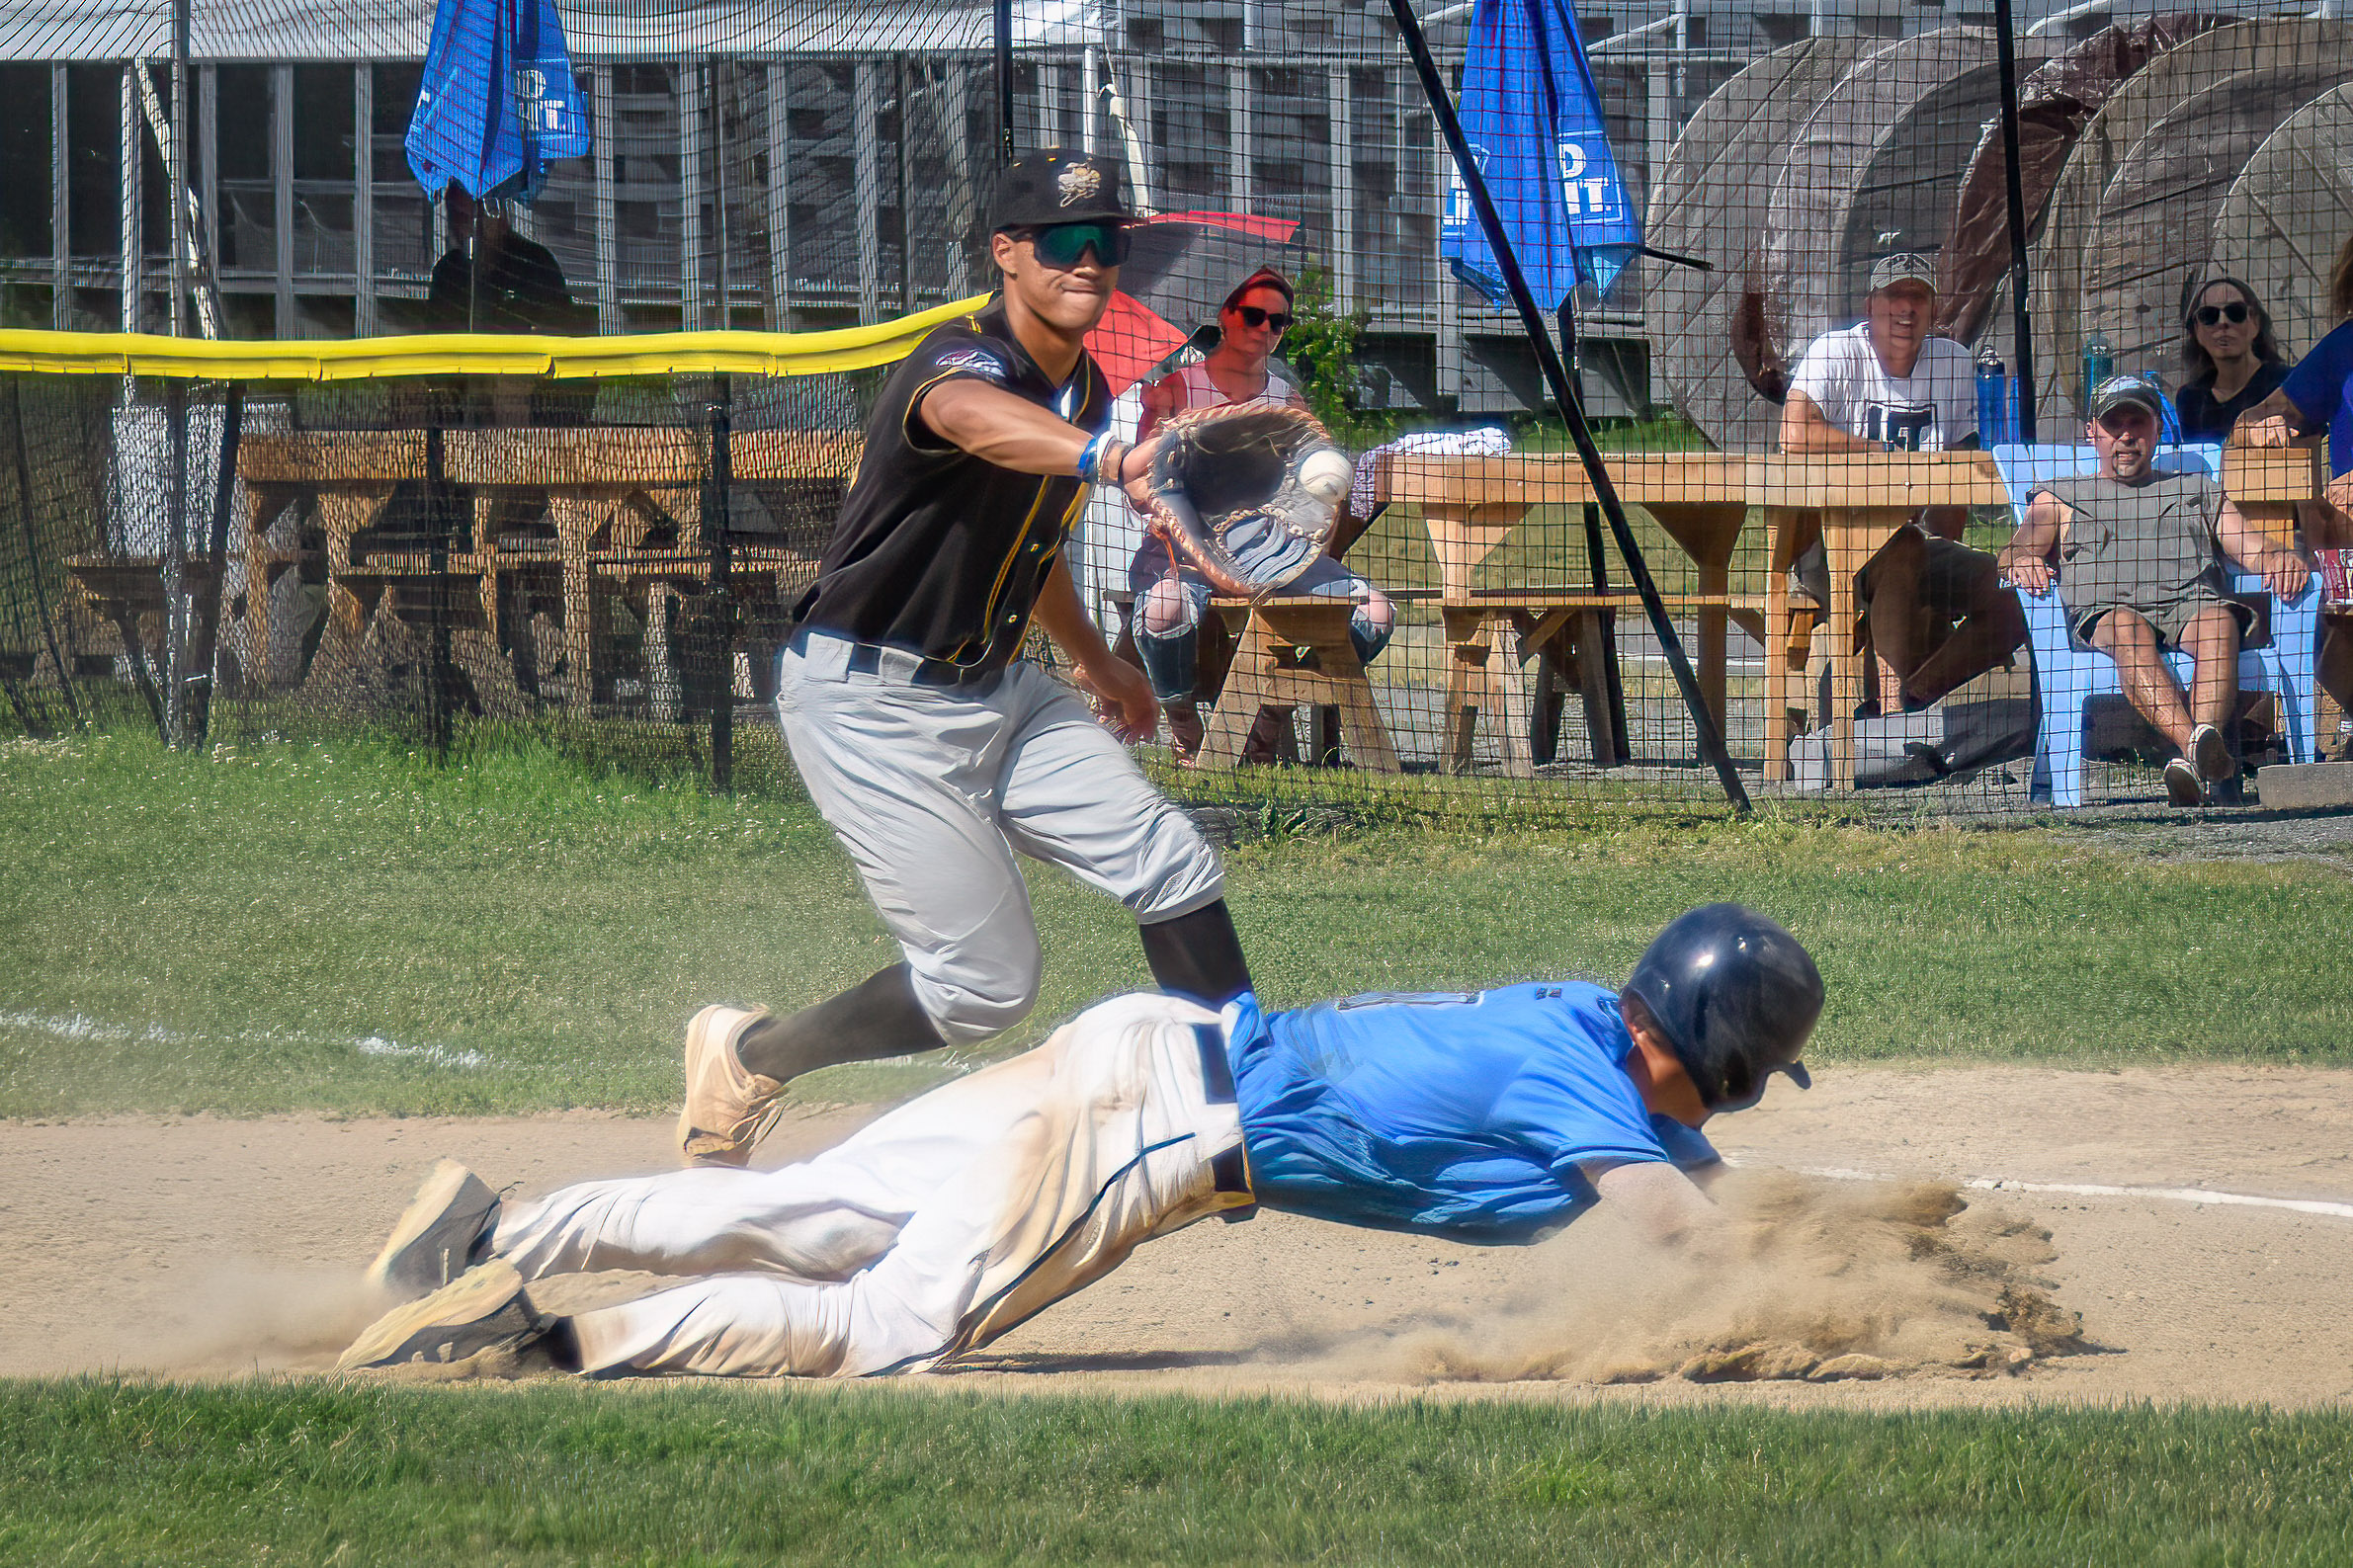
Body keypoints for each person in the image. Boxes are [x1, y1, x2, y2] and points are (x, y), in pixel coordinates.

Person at [339, 904, 1824, 1380]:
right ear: (1695, 1050)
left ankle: (494, 1228)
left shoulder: (1571, 1018)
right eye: (1746, 1076)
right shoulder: (1584, 1085)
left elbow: (1675, 1168)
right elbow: (1683, 1227)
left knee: (809, 1210)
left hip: (1138, 1043)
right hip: (1160, 1125)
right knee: (883, 1326)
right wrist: (1851, 1278)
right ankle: (540, 1343)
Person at [670, 151, 1252, 1170]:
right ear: (1005, 254)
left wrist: (1100, 666)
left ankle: (1247, 1114)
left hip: (1001, 691)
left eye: (1106, 243)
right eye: (1062, 242)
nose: (1088, 262)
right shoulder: (959, 361)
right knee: (982, 987)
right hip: (868, 702)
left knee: (1170, 863)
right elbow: (970, 421)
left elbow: (1025, 552)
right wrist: (1107, 458)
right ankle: (752, 1052)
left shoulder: (1083, 388)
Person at [1999, 374, 2311, 806]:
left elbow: (2252, 548)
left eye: (2138, 423)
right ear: (2093, 431)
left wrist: (2278, 556)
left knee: (2221, 622)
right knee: (2128, 629)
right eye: (2114, 424)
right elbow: (2014, 550)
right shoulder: (2059, 497)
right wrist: (2023, 560)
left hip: (2191, 603)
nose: (2126, 436)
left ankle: (2194, 766)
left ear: (2157, 429)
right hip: (2110, 609)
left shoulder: (2196, 488)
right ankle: (2203, 756)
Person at [1129, 269, 1395, 762]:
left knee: (1375, 613)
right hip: (1185, 550)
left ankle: (1265, 724)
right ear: (1225, 316)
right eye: (1254, 316)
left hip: (1271, 550)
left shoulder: (1285, 401)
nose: (1266, 330)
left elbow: (1308, 484)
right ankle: (1185, 730)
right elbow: (1135, 479)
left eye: (1279, 323)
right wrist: (1156, 500)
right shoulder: (1175, 390)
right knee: (1165, 612)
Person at [1779, 253, 2028, 712]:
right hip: (1829, 546)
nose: (1906, 310)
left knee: (2017, 594)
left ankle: (1915, 695)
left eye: (1918, 297)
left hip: (1914, 544)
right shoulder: (1836, 352)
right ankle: (1890, 722)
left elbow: (1960, 473)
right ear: (1871, 304)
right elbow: (1794, 434)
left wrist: (1932, 578)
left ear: (1934, 309)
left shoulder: (1954, 364)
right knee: (1906, 546)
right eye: (1895, 296)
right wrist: (1880, 453)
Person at [2234, 233, 2353, 738]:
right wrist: (2260, 428)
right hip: (2344, 539)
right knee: (2322, 608)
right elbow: (2248, 422)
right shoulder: (2344, 348)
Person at [2174, 277, 2291, 445]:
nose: (2223, 322)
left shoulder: (2287, 383)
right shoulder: (2190, 398)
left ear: (2255, 323)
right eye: (2208, 315)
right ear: (2197, 330)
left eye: (2236, 312)